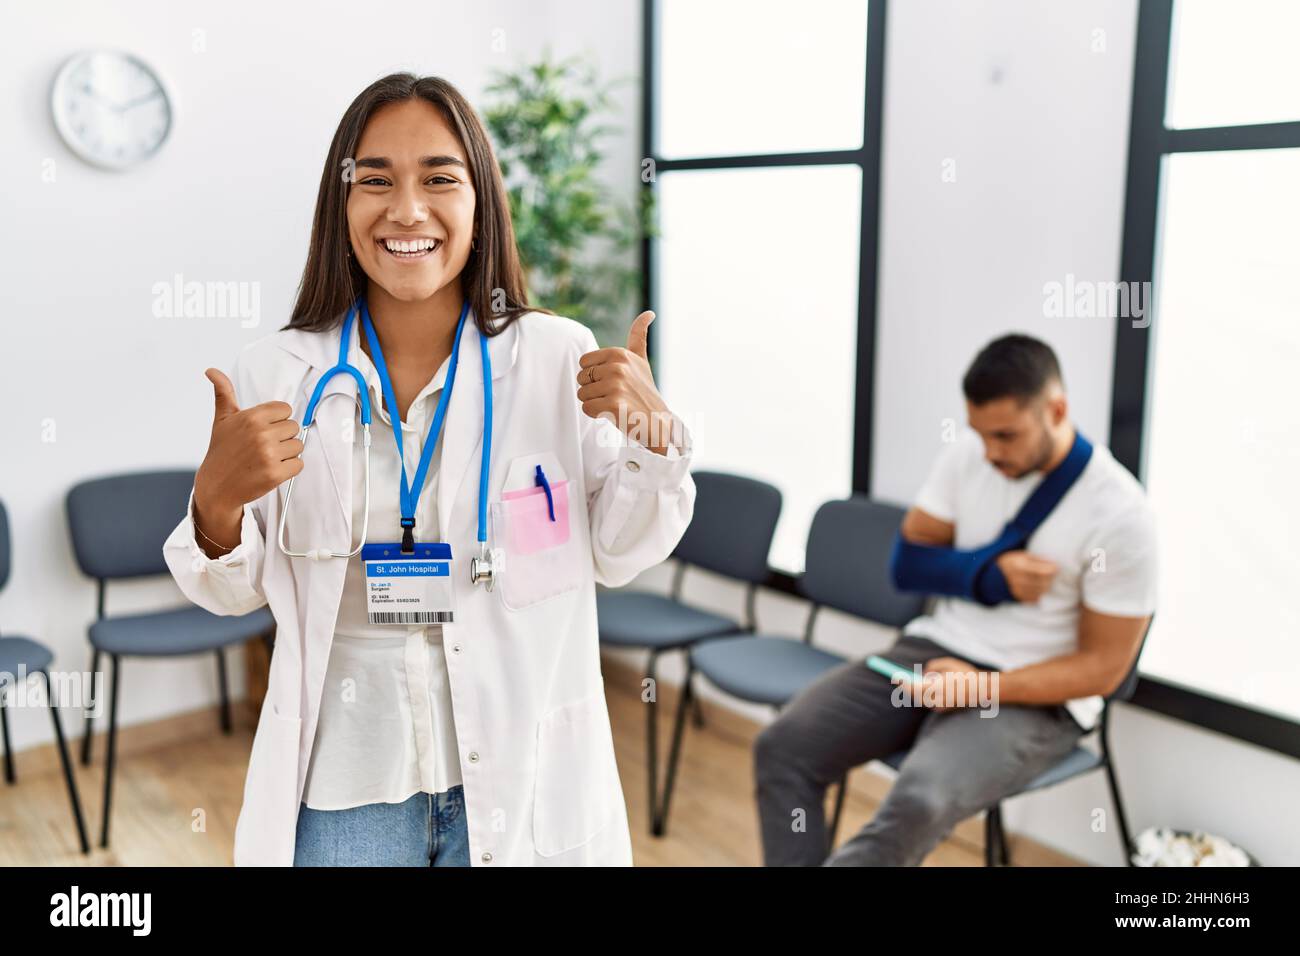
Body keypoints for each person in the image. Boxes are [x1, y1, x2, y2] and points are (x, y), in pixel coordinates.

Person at [162, 73, 695, 867]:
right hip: (348, 785)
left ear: (481, 202)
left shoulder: (555, 355)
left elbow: (619, 554)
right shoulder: (277, 369)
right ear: (339, 208)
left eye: (440, 179)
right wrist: (215, 506)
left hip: (524, 775)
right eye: (374, 180)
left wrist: (654, 438)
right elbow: (232, 589)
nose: (407, 210)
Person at [754, 333, 1155, 866]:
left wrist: (982, 686)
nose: (991, 452)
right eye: (980, 433)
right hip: (934, 652)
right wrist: (986, 575)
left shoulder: (1122, 515)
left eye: (1007, 436)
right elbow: (909, 564)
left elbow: (1103, 669)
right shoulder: (970, 456)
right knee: (783, 747)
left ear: (1056, 410)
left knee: (919, 799)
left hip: (1033, 694)